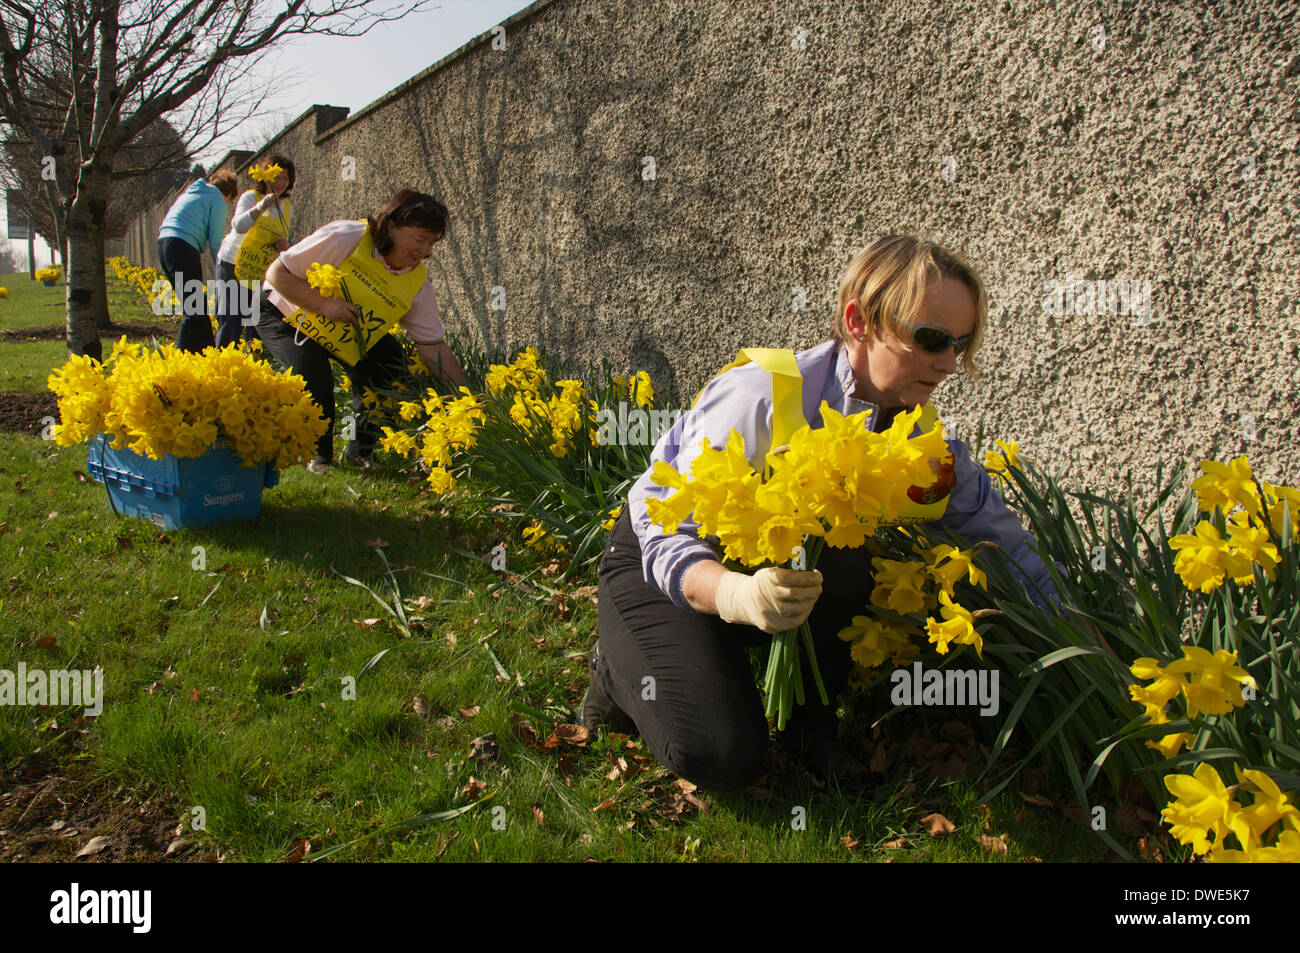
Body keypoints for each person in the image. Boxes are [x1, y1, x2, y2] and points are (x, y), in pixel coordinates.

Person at [585, 234, 1063, 791]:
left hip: (776, 580)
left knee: (846, 551)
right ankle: (614, 670)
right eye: (931, 338)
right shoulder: (767, 393)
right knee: (722, 755)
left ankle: (810, 725)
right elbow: (664, 526)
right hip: (666, 568)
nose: (949, 365)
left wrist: (1075, 632)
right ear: (859, 321)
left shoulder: (923, 440)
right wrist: (737, 597)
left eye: (960, 344)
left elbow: (1002, 541)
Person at [254, 188, 469, 473]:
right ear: (391, 226)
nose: (425, 251)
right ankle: (318, 456)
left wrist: (468, 398)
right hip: (284, 312)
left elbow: (433, 347)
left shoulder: (417, 282)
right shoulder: (346, 237)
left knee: (391, 365)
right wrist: (324, 304)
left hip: (342, 331)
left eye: (431, 243)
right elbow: (277, 274)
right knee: (313, 373)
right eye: (420, 239)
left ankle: (359, 451)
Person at [214, 154, 295, 348]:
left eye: (286, 178)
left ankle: (253, 370)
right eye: (277, 176)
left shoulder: (286, 207)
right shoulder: (251, 197)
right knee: (232, 318)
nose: (280, 182)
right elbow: (239, 226)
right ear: (266, 175)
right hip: (233, 263)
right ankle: (220, 366)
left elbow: (280, 235)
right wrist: (261, 206)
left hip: (258, 270)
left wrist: (284, 246)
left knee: (255, 323)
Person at [158, 166, 238, 352]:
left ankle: (204, 356)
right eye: (231, 199)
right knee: (194, 309)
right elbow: (217, 241)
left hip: (164, 244)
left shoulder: (192, 193)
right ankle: (181, 360)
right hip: (182, 247)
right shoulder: (217, 199)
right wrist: (224, 268)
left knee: (196, 308)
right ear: (229, 193)